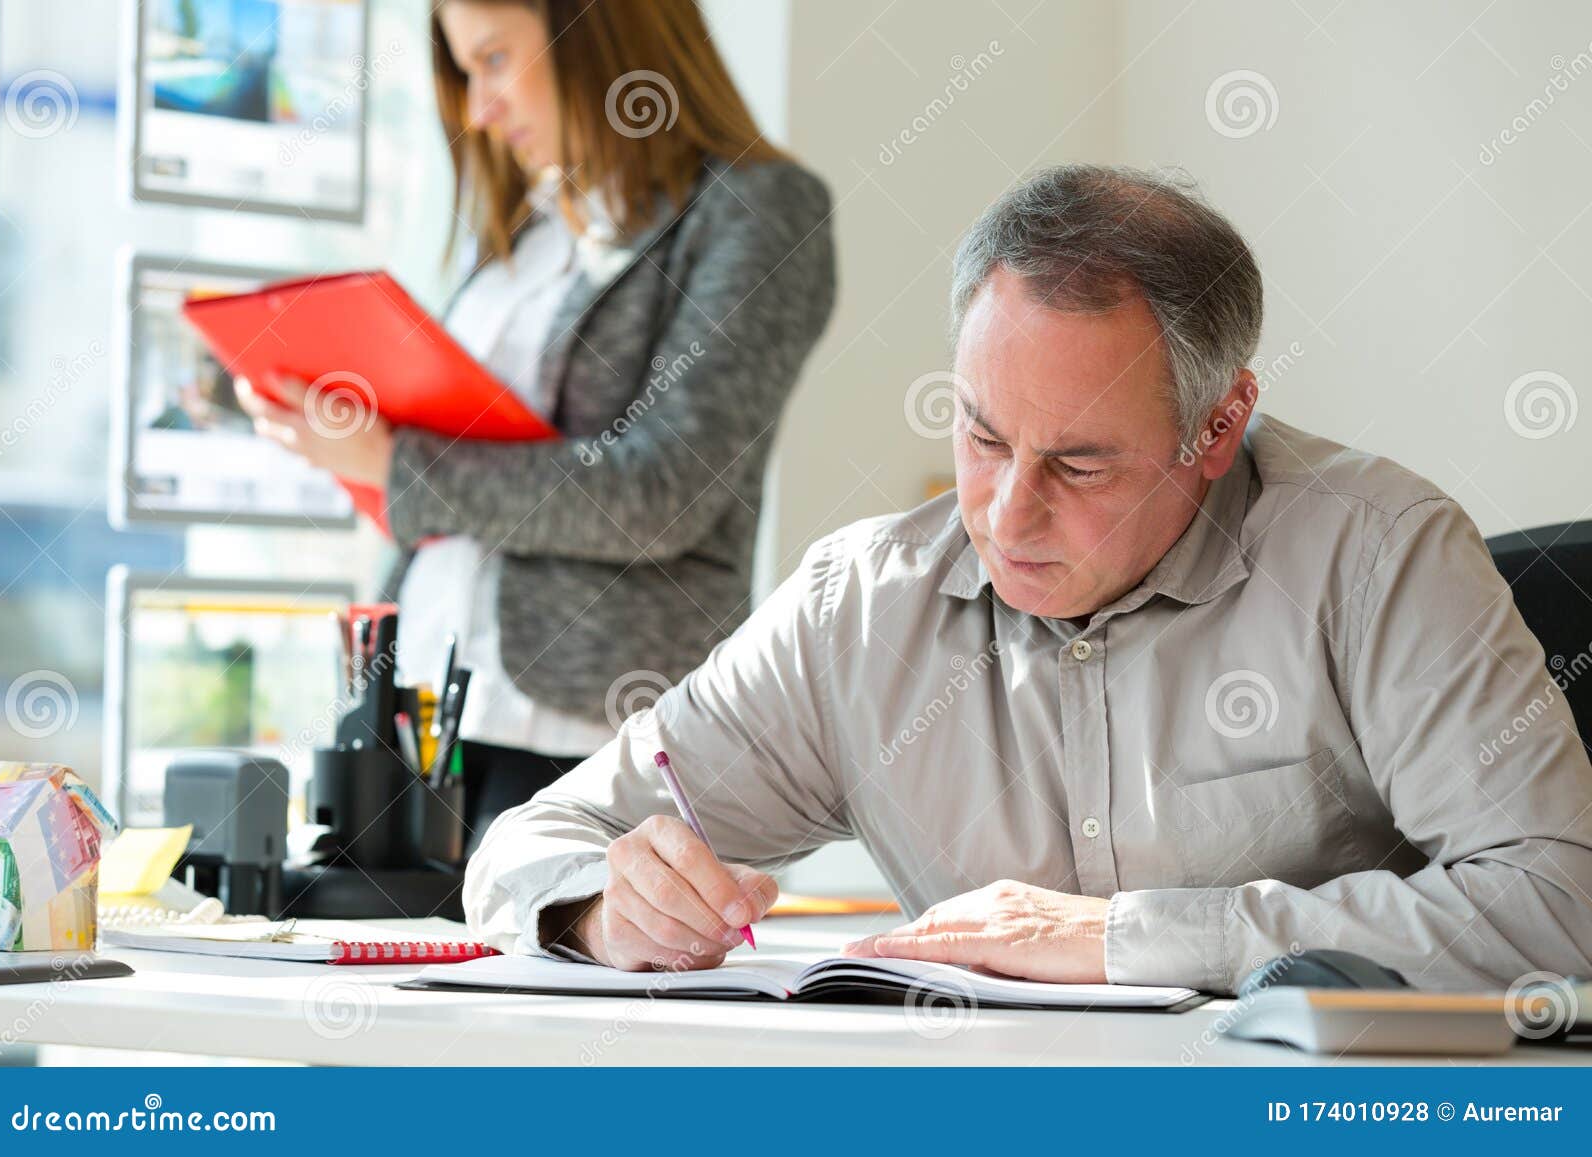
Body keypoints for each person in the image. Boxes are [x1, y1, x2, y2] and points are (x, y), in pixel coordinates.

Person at [461, 164, 1592, 994]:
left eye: (1080, 461)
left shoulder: (1377, 554)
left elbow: (1561, 906)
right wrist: (605, 908)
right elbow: (527, 842)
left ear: (1220, 422)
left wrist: (1125, 936)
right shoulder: (858, 607)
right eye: (982, 436)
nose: (1005, 516)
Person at [236, 0, 836, 846]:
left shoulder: (758, 212)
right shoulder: (531, 225)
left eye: (492, 60)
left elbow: (663, 488)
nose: (479, 111)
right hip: (420, 707)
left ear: (594, 30)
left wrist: (399, 466)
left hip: (583, 736)